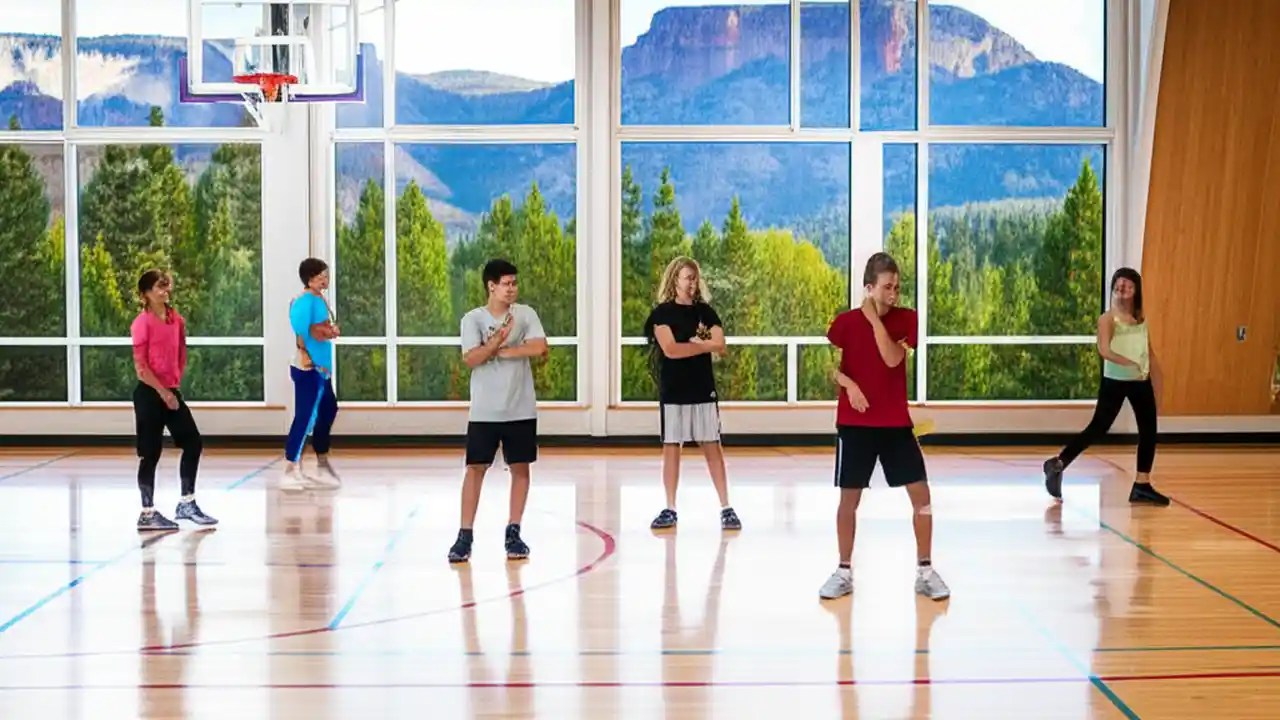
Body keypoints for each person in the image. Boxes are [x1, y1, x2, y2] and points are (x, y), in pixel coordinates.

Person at [818, 253, 948, 601]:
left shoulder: (907, 320)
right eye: (887, 287)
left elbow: (892, 358)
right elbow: (828, 369)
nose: (894, 293)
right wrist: (850, 385)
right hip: (854, 425)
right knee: (848, 501)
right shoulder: (844, 324)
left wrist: (874, 319)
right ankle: (843, 572)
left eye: (897, 287)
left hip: (895, 425)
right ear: (869, 287)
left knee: (922, 497)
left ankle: (925, 572)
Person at [448, 259, 549, 563]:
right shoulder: (473, 319)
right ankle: (464, 536)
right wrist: (494, 343)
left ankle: (513, 532)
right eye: (506, 284)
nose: (512, 289)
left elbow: (539, 347)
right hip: (485, 411)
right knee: (475, 468)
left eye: (514, 283)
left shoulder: (526, 314)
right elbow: (471, 358)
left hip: (521, 407)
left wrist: (504, 351)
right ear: (491, 286)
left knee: (520, 468)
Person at [1044, 267, 1169, 506]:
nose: (1122, 289)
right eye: (1119, 285)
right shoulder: (1107, 319)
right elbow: (1104, 350)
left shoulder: (1141, 320)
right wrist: (1129, 362)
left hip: (1140, 382)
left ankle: (1142, 484)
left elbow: (1150, 354)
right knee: (1098, 428)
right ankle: (1057, 463)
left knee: (1149, 430)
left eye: (1128, 285)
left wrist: (1158, 385)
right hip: (1115, 382)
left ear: (1136, 291)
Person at [643, 256, 741, 532]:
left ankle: (726, 507)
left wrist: (703, 344)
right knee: (672, 447)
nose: (692, 283)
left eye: (694, 278)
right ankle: (670, 508)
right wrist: (702, 345)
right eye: (687, 277)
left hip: (702, 388)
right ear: (675, 279)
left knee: (712, 445)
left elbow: (721, 343)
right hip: (674, 390)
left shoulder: (705, 312)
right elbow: (671, 350)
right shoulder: (662, 314)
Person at [130, 269, 217, 530]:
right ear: (146, 293)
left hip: (170, 391)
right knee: (150, 453)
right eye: (160, 287)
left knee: (193, 443)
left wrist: (172, 386)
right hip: (149, 393)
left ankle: (187, 503)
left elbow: (180, 352)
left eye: (167, 286)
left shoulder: (176, 320)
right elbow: (141, 368)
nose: (166, 291)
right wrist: (163, 392)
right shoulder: (141, 323)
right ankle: (147, 513)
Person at [283, 258, 341, 491]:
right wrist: (327, 333)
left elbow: (320, 328)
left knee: (328, 409)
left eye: (326, 275)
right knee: (305, 416)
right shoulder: (303, 301)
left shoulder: (319, 299)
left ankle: (321, 461)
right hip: (309, 369)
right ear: (309, 279)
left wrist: (329, 330)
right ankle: (290, 467)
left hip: (322, 369)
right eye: (320, 277)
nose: (325, 280)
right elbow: (304, 332)